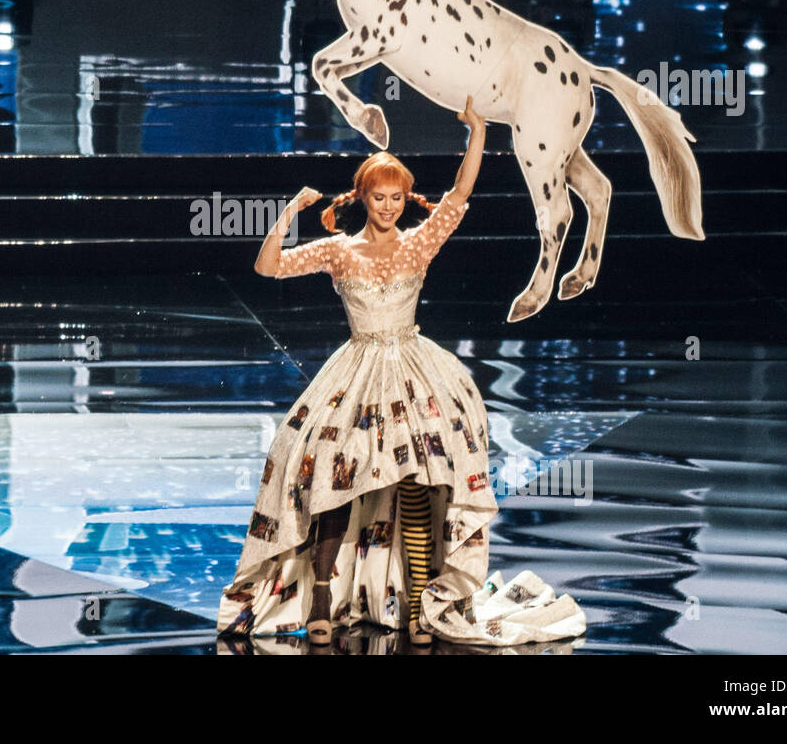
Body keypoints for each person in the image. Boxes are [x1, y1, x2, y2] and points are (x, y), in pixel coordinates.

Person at [217, 97, 588, 648]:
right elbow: (268, 266)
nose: (388, 206)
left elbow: (460, 195)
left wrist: (478, 133)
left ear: (402, 200)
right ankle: (321, 598)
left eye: (395, 198)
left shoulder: (419, 243)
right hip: (356, 373)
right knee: (332, 483)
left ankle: (417, 606)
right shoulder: (341, 252)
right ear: (362, 198)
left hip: (416, 373)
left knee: (420, 479)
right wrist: (291, 211)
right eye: (378, 197)